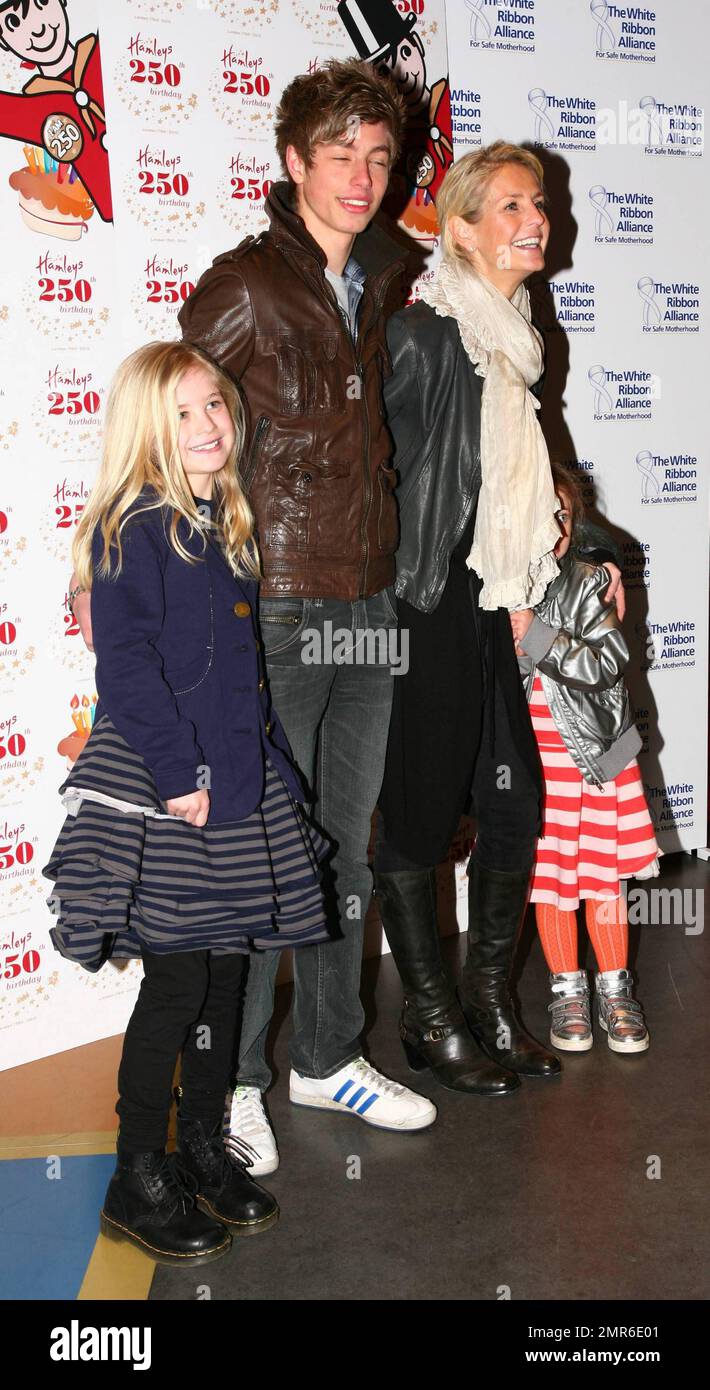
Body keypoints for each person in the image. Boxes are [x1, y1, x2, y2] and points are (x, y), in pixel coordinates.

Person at [72, 58, 436, 1175]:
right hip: (269, 604)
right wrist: (107, 558)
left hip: (365, 596)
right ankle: (231, 1083)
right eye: (339, 155)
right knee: (245, 860)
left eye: (379, 157)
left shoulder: (377, 277)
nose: (363, 177)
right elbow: (169, 423)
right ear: (292, 163)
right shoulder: (241, 286)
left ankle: (324, 1055)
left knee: (341, 849)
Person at [44, 341, 334, 1266]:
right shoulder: (135, 528)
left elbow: (239, 680)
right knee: (175, 988)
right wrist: (178, 778)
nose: (208, 426)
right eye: (183, 413)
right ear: (145, 428)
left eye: (215, 406)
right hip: (170, 790)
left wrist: (269, 772)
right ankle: (139, 1175)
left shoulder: (225, 528)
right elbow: (126, 671)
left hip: (237, 786)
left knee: (230, 974)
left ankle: (203, 1149)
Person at [373, 142, 626, 1096]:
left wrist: (591, 547)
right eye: (514, 204)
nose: (537, 219)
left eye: (542, 204)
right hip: (429, 603)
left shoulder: (510, 336)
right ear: (464, 227)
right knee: (422, 816)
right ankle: (429, 1019)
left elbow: (530, 481)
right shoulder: (429, 334)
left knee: (514, 805)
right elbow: (390, 481)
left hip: (488, 605)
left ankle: (486, 1004)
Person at [513, 462, 657, 1054]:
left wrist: (538, 638)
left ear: (575, 524)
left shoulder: (587, 582)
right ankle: (567, 989)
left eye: (562, 516)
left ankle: (615, 988)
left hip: (597, 763)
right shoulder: (501, 589)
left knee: (602, 877)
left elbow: (605, 664)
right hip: (539, 765)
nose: (549, 527)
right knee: (552, 882)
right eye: (537, 513)